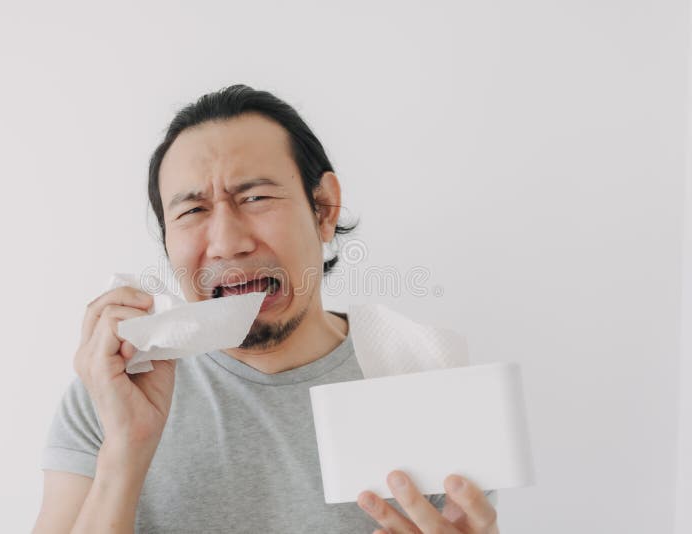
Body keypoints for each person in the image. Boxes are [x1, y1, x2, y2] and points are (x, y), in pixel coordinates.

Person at [32, 85, 499, 534]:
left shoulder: (429, 383)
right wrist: (124, 452)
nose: (228, 243)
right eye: (192, 211)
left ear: (324, 208)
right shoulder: (113, 393)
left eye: (255, 198)